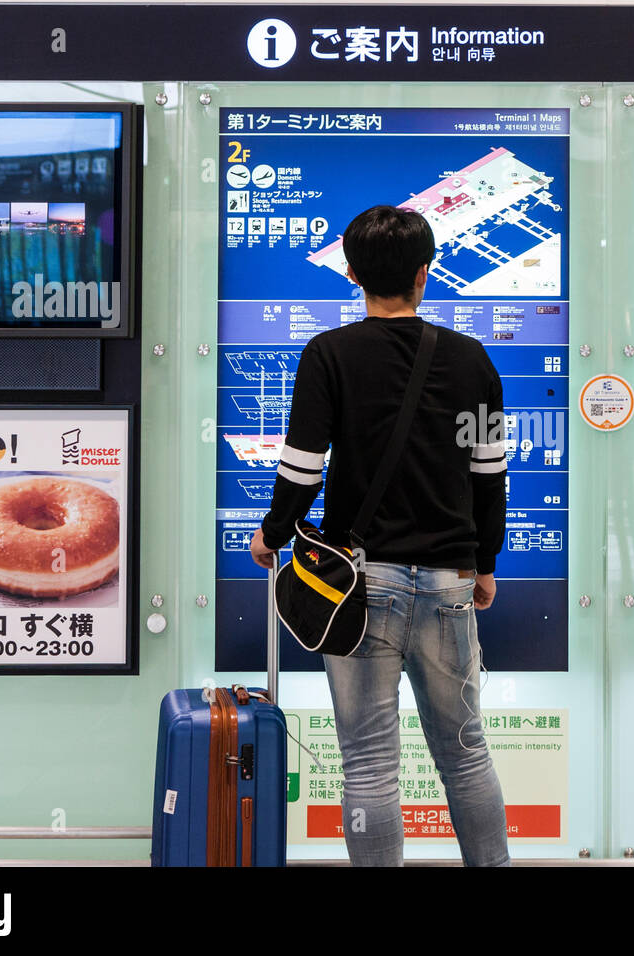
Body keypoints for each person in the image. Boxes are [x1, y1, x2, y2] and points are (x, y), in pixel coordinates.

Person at [250, 204, 510, 867]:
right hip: (451, 578)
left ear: (353, 274)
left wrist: (274, 533)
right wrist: (485, 563)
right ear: (425, 274)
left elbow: (303, 465)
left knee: (367, 763)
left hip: (360, 587)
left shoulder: (330, 354)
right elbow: (488, 472)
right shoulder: (471, 360)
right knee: (466, 750)